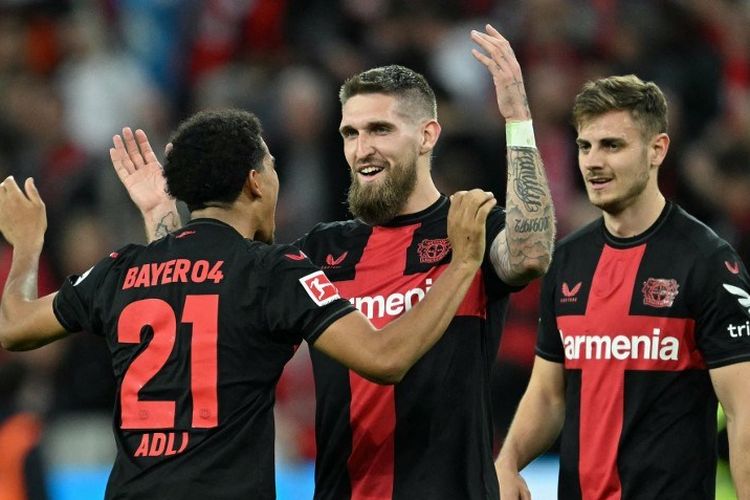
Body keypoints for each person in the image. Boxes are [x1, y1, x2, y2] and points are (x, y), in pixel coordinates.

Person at [119, 25, 555, 500]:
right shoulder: (319, 253)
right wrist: (160, 212)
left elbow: (531, 254)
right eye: (351, 132)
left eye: (380, 130)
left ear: (428, 135)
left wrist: (517, 117)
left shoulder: (467, 228)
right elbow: (205, 290)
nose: (361, 149)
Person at [0, 109, 498, 499]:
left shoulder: (123, 269)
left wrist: (26, 248)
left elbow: (16, 326)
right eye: (272, 168)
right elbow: (385, 358)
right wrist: (462, 264)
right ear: (255, 182)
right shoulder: (272, 271)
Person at [495, 75, 750, 499]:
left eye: (612, 145)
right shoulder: (568, 261)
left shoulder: (707, 263)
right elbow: (548, 396)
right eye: (585, 146)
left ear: (657, 150)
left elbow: (743, 412)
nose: (593, 161)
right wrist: (507, 460)